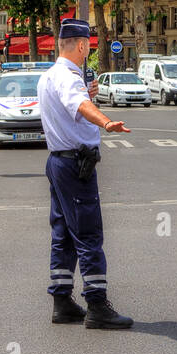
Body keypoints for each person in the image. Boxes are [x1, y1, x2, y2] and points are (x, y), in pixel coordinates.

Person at [37, 18, 133, 329]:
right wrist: (105, 122)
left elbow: (73, 105)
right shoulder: (70, 77)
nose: (88, 52)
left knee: (63, 234)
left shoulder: (49, 75)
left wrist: (87, 95)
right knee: (89, 234)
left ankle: (62, 300)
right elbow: (79, 106)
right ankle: (96, 304)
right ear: (80, 46)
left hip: (57, 162)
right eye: (88, 47)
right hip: (76, 165)